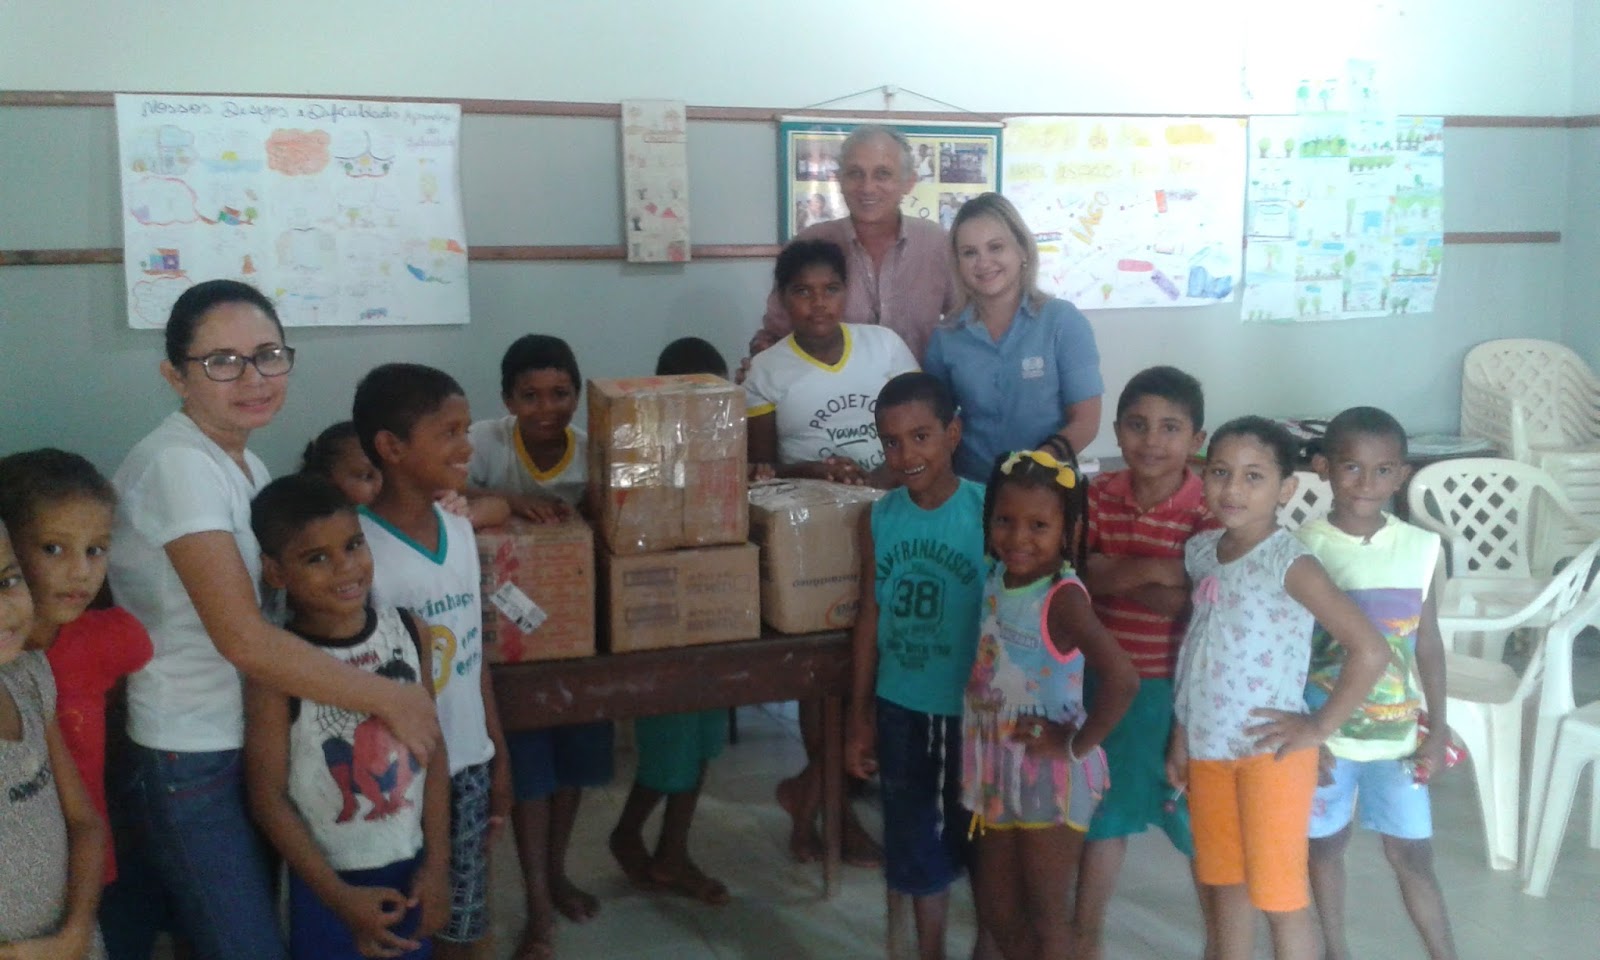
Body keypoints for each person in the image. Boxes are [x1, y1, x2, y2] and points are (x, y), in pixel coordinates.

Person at [102, 280, 439, 960]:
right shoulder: (178, 466)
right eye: (221, 361)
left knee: (239, 926)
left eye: (268, 355)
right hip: (191, 749)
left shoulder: (246, 464)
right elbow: (243, 637)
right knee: (245, 942)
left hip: (255, 731)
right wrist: (391, 697)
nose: (251, 377)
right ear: (175, 374)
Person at [1167, 416, 1389, 960]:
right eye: (1220, 472)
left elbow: (1371, 649)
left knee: (1281, 896)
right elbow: (1198, 651)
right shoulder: (1201, 553)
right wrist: (1181, 734)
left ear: (1285, 489)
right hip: (1209, 751)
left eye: (1253, 476)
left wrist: (1319, 727)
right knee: (1226, 883)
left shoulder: (1289, 562)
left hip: (1272, 755)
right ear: (1203, 476)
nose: (1232, 489)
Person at [244, 475, 450, 960]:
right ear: (275, 572)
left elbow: (434, 751)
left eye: (353, 545)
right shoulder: (276, 666)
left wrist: (438, 862)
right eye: (316, 558)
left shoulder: (408, 632)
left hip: (412, 866)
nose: (345, 568)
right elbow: (267, 796)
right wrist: (337, 897)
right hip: (327, 881)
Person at [353, 363, 512, 960]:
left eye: (466, 428)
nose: (466, 445)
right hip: (403, 775)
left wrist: (497, 755)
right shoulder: (361, 553)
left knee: (467, 921)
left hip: (468, 761)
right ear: (392, 448)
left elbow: (474, 662)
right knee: (418, 917)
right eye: (448, 432)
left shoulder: (458, 528)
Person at [464, 336, 615, 959]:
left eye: (559, 394)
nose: (546, 407)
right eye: (529, 396)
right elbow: (440, 495)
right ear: (507, 400)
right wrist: (507, 502)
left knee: (572, 769)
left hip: (578, 636)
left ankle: (555, 875)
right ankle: (536, 907)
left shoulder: (592, 451)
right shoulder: (483, 443)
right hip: (510, 645)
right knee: (528, 777)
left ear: (578, 396)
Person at [961, 445, 1138, 960]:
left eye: (1038, 526)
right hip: (996, 766)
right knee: (997, 910)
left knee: (1047, 916)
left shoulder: (1063, 598)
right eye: (1005, 520)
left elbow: (1122, 679)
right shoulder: (997, 577)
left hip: (1048, 777)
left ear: (1069, 532)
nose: (1018, 538)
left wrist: (1077, 744)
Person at [1299, 408, 1457, 960]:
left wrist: (1436, 728)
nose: (1367, 484)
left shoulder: (1418, 547)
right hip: (1328, 740)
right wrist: (1308, 735)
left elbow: (1428, 644)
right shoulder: (1301, 546)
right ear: (1323, 468)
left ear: (1402, 474)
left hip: (1398, 741)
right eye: (1351, 467)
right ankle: (1336, 950)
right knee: (1324, 850)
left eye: (1383, 470)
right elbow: (1291, 650)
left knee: (1413, 857)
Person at [1071, 368, 1217, 960]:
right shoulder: (1097, 495)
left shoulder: (1210, 504)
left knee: (1197, 827)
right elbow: (1085, 577)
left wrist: (1118, 574)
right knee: (1102, 816)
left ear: (1196, 439)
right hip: (1105, 687)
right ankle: (1085, 937)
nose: (1151, 441)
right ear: (1116, 430)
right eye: (1137, 425)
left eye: (1170, 428)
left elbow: (1198, 598)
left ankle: (1221, 940)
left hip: (1181, 694)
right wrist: (1162, 570)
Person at [843, 372, 987, 960]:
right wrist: (859, 715)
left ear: (953, 433)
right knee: (914, 844)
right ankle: (930, 950)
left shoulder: (990, 511)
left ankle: (990, 943)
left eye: (922, 435)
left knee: (980, 842)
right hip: (901, 708)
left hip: (974, 713)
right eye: (892, 441)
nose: (906, 454)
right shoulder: (879, 519)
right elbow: (869, 619)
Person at [608, 337, 742, 910]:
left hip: (711, 622)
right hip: (660, 628)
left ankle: (673, 851)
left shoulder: (726, 455)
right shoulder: (637, 455)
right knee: (668, 754)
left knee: (706, 744)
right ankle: (627, 833)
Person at [0, 450, 153, 885]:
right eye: (53, 548)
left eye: (96, 549)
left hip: (89, 867)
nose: (81, 572)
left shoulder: (112, 637)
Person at [923, 193, 1104, 482]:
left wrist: (1034, 468)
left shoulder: (1062, 321)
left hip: (1048, 491)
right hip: (972, 492)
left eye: (996, 247)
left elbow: (1086, 421)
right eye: (969, 252)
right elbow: (935, 423)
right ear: (957, 263)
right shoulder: (946, 337)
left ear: (1022, 250)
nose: (983, 262)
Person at [754, 124, 956, 364]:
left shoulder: (937, 245)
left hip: (918, 397)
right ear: (838, 179)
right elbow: (775, 335)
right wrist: (758, 361)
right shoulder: (810, 245)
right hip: (825, 397)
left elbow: (969, 325)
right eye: (855, 173)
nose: (867, 187)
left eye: (882, 174)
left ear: (908, 182)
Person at [0, 519, 108, 959]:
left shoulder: (28, 679)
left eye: (7, 579)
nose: (4, 607)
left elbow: (84, 824)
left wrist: (76, 931)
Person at [745, 238, 919, 486]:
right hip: (808, 505)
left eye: (831, 289)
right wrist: (814, 471)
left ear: (846, 291)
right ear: (782, 298)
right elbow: (762, 470)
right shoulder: (764, 370)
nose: (818, 303)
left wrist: (881, 477)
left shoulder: (884, 344)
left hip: (893, 492)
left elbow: (922, 429)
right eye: (803, 291)